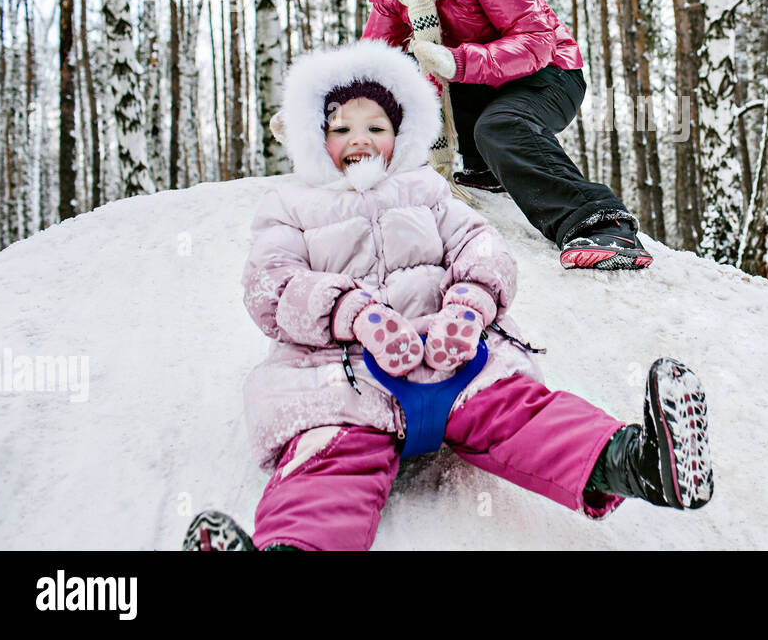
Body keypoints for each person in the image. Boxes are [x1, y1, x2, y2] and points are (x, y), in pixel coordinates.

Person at [183, 41, 711, 551]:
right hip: (348, 381)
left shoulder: (426, 190)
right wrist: (353, 313)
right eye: (340, 128)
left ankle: (642, 463)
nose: (358, 139)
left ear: (401, 132)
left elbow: (480, 246)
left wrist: (467, 305)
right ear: (314, 137)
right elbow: (270, 286)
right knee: (327, 464)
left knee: (525, 416)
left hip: (455, 358)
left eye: (376, 127)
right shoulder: (292, 204)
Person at [361, 0, 650, 271]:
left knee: (502, 126)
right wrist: (326, 106)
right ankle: (485, 167)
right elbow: (376, 60)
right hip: (478, 77)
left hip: (550, 72)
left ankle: (602, 222)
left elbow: (537, 40)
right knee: (408, 76)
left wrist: (457, 62)